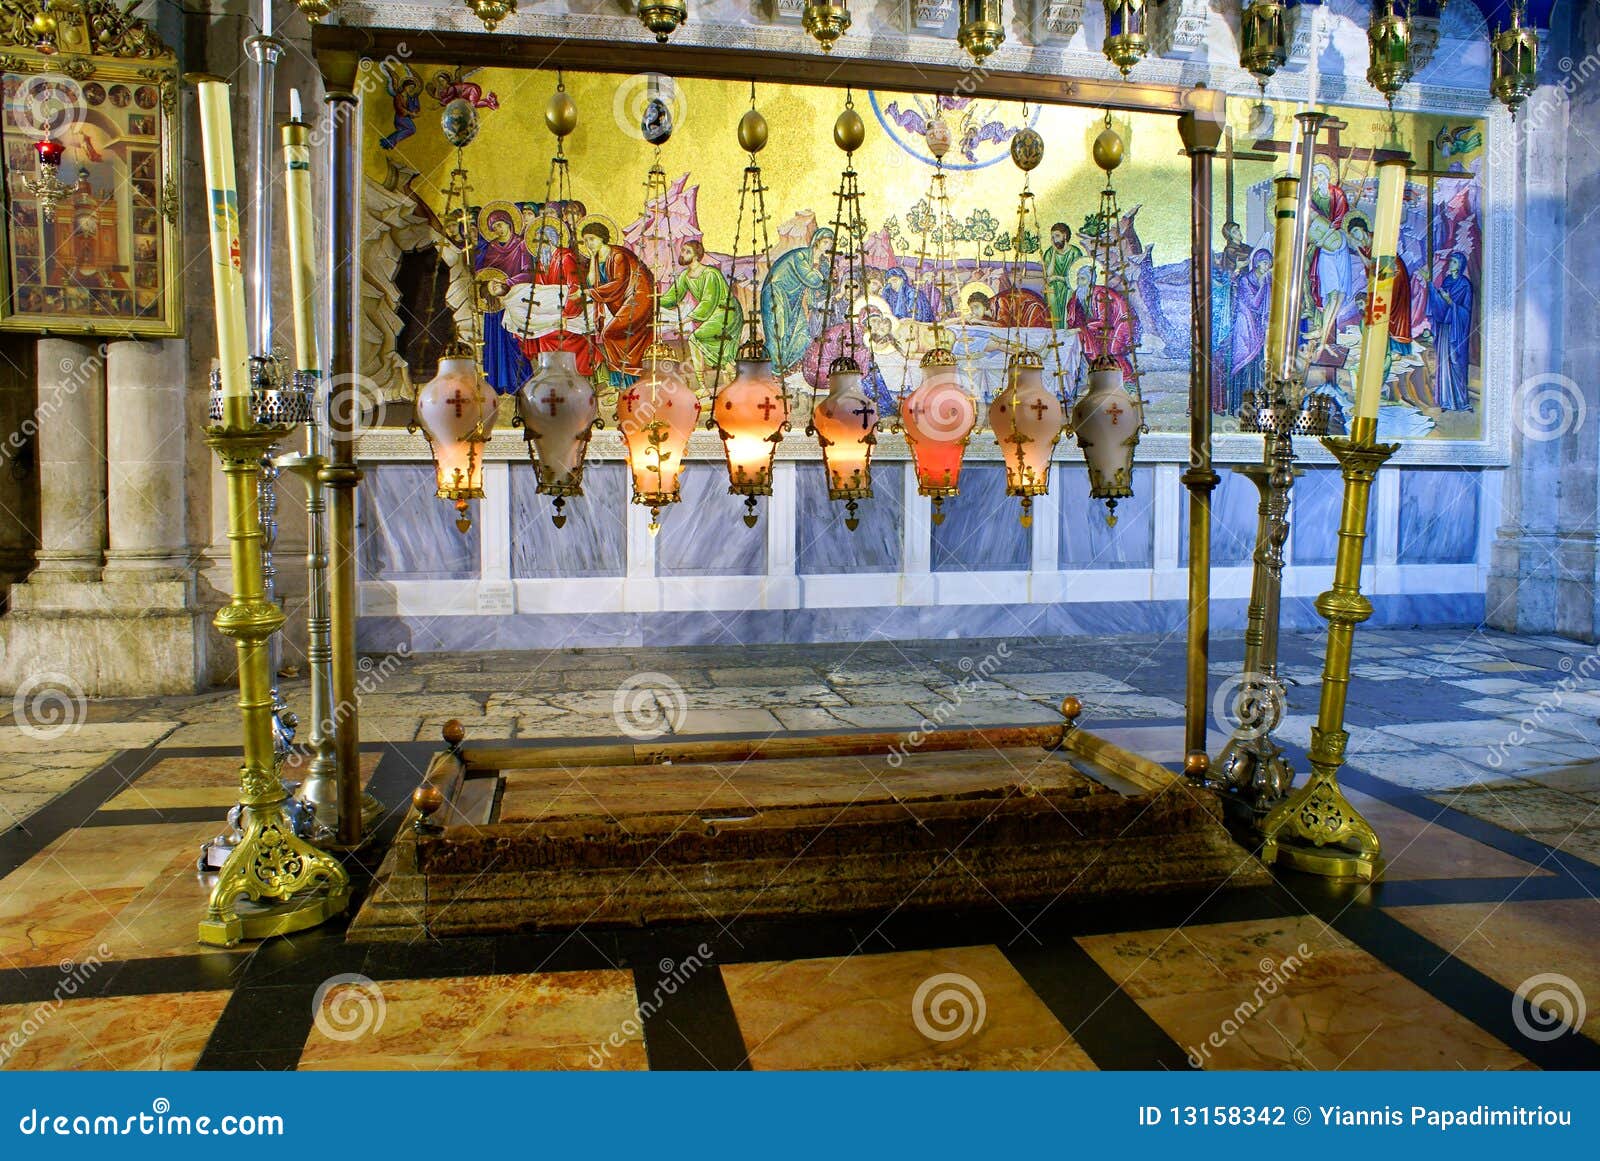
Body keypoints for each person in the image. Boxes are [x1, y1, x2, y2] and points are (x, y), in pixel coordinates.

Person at [579, 220, 655, 386]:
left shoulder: (618, 256)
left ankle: (623, 381)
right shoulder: (598, 258)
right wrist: (592, 259)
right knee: (624, 340)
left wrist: (589, 293)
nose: (588, 244)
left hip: (639, 299)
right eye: (585, 241)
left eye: (591, 239)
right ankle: (627, 382)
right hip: (622, 302)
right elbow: (591, 282)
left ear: (602, 238)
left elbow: (618, 284)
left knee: (609, 334)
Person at [658, 239, 742, 375]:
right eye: (683, 250)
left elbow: (708, 301)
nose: (683, 253)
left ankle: (704, 386)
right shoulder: (685, 276)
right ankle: (729, 374)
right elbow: (673, 297)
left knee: (695, 338)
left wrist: (686, 319)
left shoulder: (710, 273)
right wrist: (652, 300)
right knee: (705, 343)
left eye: (687, 252)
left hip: (727, 311)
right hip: (713, 313)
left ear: (696, 256)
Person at [475, 209, 533, 393]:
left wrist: (508, 282)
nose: (497, 229)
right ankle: (497, 383)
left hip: (515, 299)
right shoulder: (491, 248)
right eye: (494, 227)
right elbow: (483, 273)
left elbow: (528, 272)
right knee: (494, 343)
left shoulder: (521, 245)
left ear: (508, 222)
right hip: (494, 303)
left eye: (499, 224)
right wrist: (490, 284)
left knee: (514, 341)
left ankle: (519, 381)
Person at [760, 229, 834, 374]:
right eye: (825, 242)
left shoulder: (824, 262)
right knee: (778, 332)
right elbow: (811, 279)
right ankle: (770, 372)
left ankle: (785, 367)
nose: (828, 246)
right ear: (816, 241)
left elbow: (825, 287)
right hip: (776, 293)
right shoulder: (801, 256)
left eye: (830, 243)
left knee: (803, 335)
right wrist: (821, 276)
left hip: (794, 298)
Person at [1227, 249, 1273, 415]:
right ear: (1256, 263)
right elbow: (1253, 303)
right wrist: (1263, 286)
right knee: (1244, 363)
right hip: (1245, 326)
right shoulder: (1246, 280)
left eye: (1268, 262)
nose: (1266, 265)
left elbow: (1267, 306)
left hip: (1258, 328)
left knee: (1256, 365)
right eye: (1263, 261)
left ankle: (1255, 408)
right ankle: (1239, 408)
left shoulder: (1267, 281)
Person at [1427, 251, 1474, 411]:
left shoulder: (1465, 284)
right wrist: (1432, 288)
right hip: (1445, 329)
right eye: (1451, 261)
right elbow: (1438, 305)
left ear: (1460, 265)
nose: (1450, 264)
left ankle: (1460, 401)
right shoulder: (1447, 281)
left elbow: (1466, 312)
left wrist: (1449, 301)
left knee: (1456, 362)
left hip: (1457, 330)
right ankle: (1446, 400)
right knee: (1444, 361)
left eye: (1454, 262)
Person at [1040, 221, 1083, 329]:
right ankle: (1056, 331)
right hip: (1054, 287)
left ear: (1065, 235)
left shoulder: (1075, 252)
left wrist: (1058, 278)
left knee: (1069, 294)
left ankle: (1066, 329)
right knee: (1051, 291)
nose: (1055, 240)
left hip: (1069, 286)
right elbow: (1048, 275)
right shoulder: (1050, 252)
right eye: (1053, 237)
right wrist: (1054, 253)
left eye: (1057, 236)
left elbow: (1075, 277)